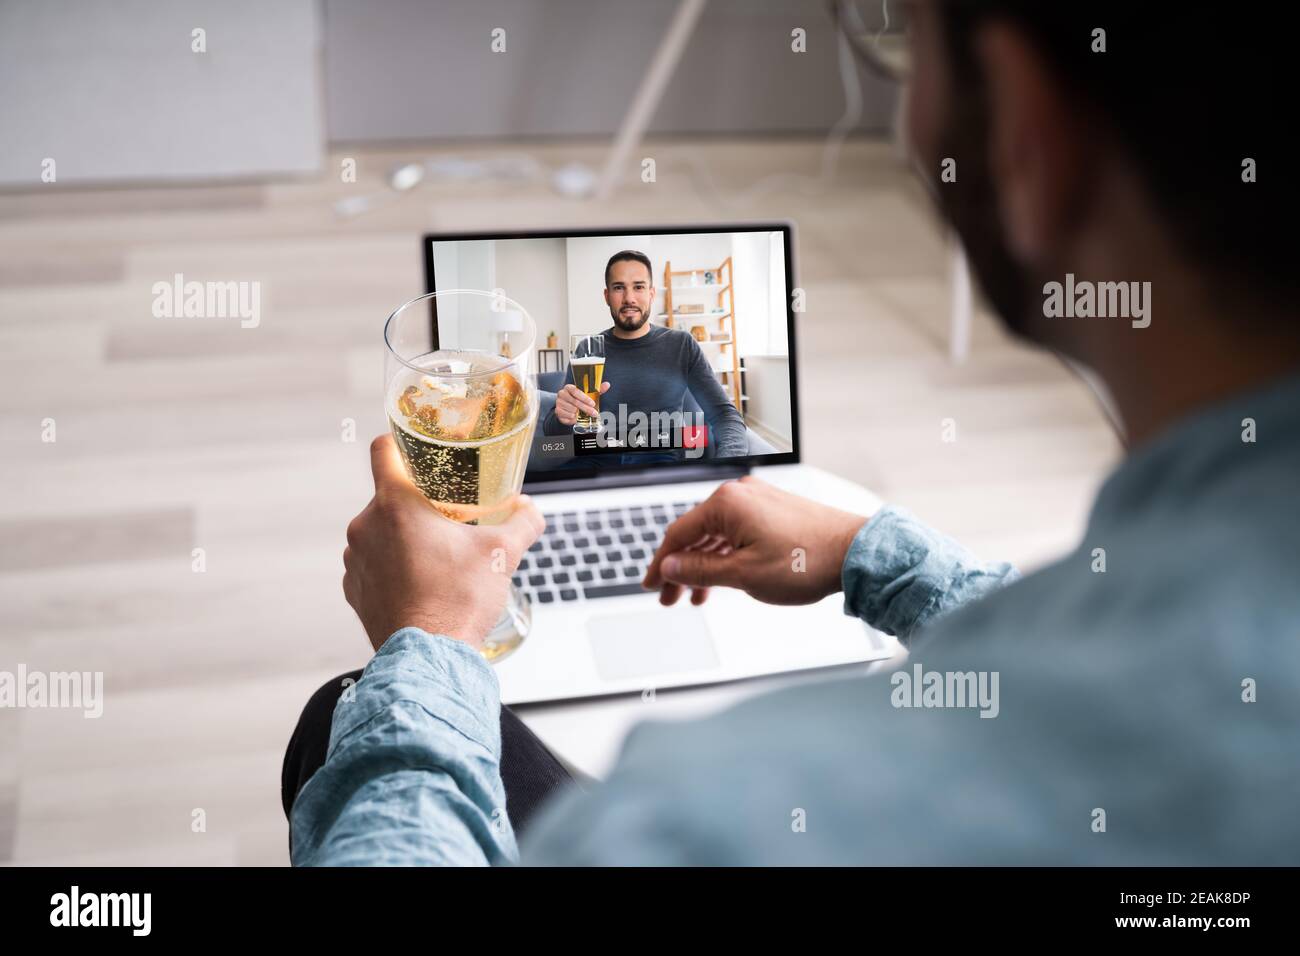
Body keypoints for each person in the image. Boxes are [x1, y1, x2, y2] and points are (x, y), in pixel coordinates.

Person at [284, 2, 1297, 864]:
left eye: (910, 40)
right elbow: (1090, 656)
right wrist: (868, 553)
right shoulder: (584, 352)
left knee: (349, 715)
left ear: (1029, 132)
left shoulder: (711, 814)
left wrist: (424, 638)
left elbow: (723, 423)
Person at [541, 250, 748, 459]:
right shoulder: (587, 348)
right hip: (600, 469)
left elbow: (725, 416)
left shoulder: (681, 345)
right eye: (619, 288)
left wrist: (729, 465)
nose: (629, 298)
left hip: (663, 471)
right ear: (607, 296)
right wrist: (562, 417)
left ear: (651, 293)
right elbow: (554, 433)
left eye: (638, 287)